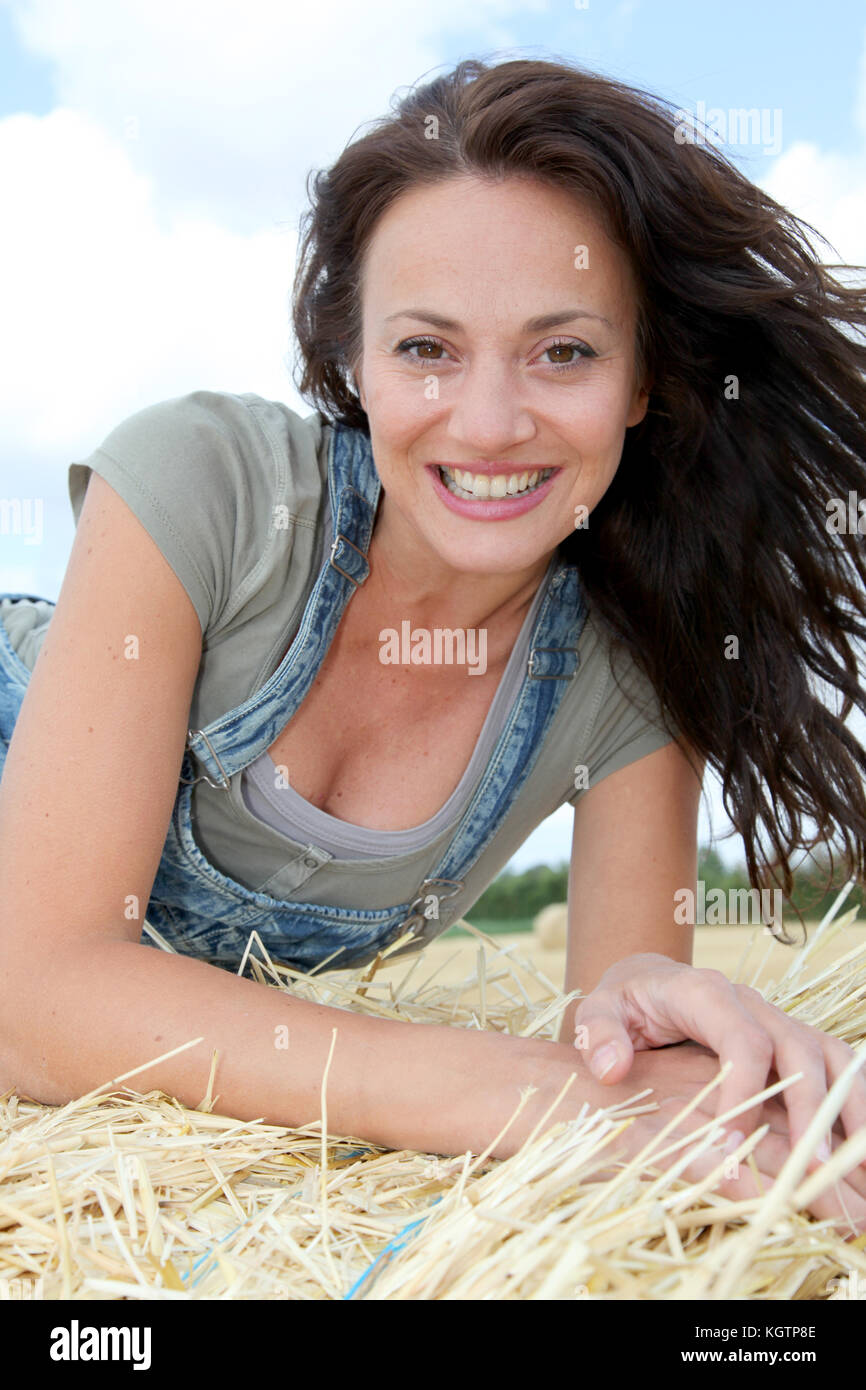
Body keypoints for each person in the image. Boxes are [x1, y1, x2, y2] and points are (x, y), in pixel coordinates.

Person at [1, 55, 865, 1235]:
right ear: (350, 362)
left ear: (641, 381)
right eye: (426, 350)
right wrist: (518, 1091)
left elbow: (606, 1055)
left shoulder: (628, 677)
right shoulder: (204, 487)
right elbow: (33, 992)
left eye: (562, 351)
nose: (491, 422)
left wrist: (657, 1016)